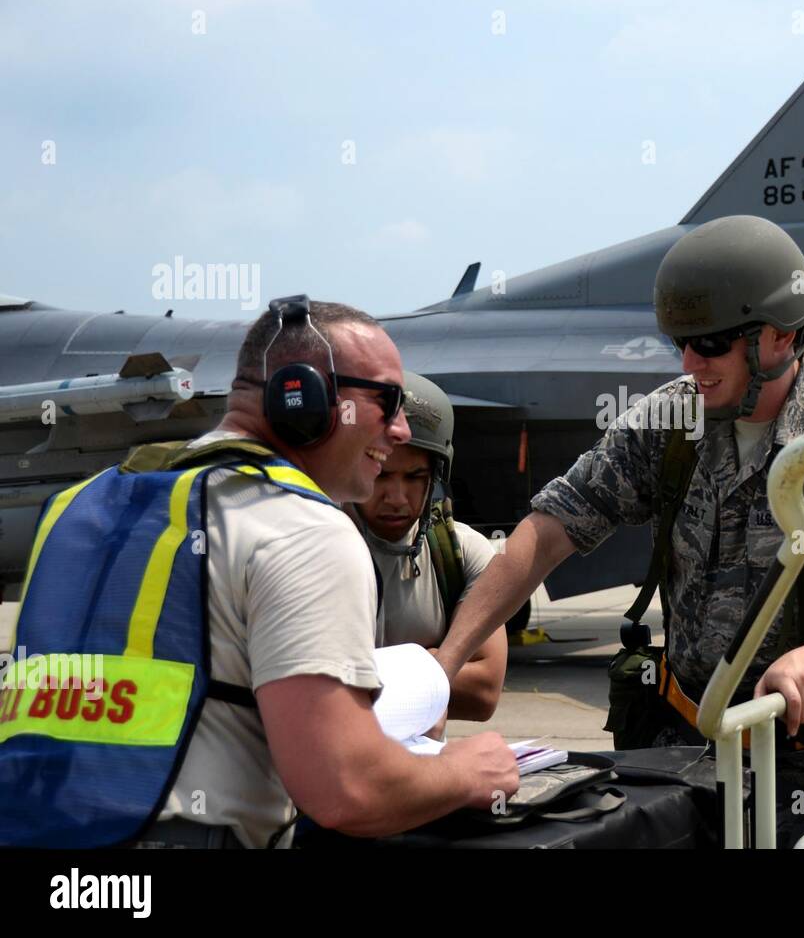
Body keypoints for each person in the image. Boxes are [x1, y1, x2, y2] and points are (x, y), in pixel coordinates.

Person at [435, 215, 804, 846]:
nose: (691, 362)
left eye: (713, 343)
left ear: (780, 335)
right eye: (681, 343)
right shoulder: (675, 420)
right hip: (681, 757)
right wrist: (447, 661)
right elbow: (551, 528)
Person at [0, 296, 517, 849]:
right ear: (308, 399)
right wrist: (465, 772)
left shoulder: (73, 507)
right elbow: (348, 789)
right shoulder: (302, 527)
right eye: (387, 402)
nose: (398, 430)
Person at [348, 372, 506, 732]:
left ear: (435, 477)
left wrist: (359, 674)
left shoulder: (461, 552)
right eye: (382, 476)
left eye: (414, 477)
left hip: (422, 773)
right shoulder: (315, 547)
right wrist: (430, 666)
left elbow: (484, 693)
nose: (397, 498)